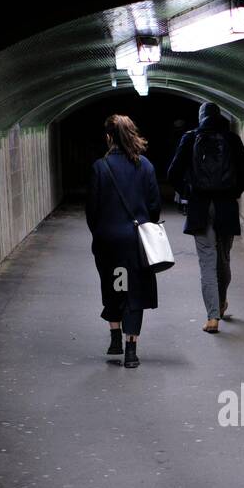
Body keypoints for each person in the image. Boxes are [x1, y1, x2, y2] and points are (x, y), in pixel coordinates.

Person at [167, 102, 244, 333]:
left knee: (207, 263)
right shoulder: (232, 140)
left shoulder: (190, 138)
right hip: (226, 207)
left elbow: (172, 173)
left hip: (200, 207)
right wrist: (232, 193)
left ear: (201, 117)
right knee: (223, 259)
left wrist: (189, 192)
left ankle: (212, 317)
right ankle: (222, 302)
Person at [86, 114, 162, 369]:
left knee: (114, 286)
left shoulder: (100, 167)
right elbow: (154, 207)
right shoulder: (146, 166)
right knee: (134, 292)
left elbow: (92, 210)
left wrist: (101, 232)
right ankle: (131, 350)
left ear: (109, 138)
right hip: (134, 242)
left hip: (108, 241)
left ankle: (114, 339)